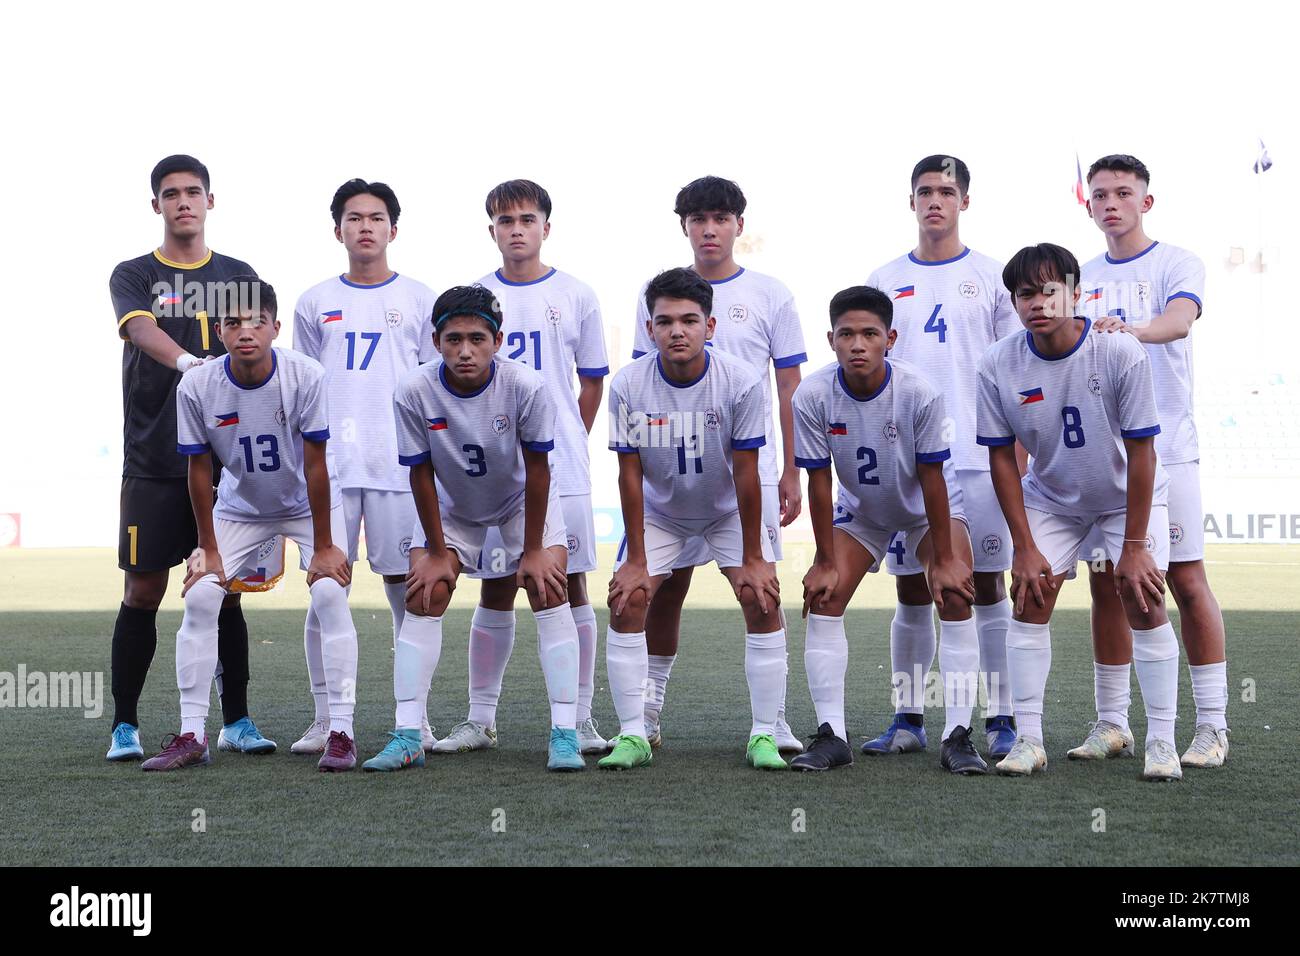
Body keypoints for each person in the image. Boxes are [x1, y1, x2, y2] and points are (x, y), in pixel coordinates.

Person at [976, 243, 1182, 781]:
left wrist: (1135, 548)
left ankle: (1161, 738)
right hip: (1053, 498)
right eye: (1026, 293)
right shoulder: (998, 362)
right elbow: (1001, 458)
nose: (1038, 302)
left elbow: (1142, 449)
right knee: (1030, 596)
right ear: (1014, 301)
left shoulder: (1117, 351)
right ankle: (1030, 739)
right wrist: (1022, 546)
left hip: (1124, 498)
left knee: (1142, 597)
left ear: (1075, 292)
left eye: (1050, 290)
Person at [363, 285, 585, 773]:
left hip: (520, 502)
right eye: (454, 338)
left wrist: (532, 550)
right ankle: (407, 734)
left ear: (497, 340)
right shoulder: (414, 389)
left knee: (548, 586)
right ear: (436, 340)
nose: (466, 350)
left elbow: (539, 469)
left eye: (478, 338)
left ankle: (565, 733)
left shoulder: (525, 386)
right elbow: (419, 471)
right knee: (426, 591)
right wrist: (439, 551)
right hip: (453, 505)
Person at [142, 278, 360, 772]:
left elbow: (318, 466)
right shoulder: (197, 384)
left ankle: (342, 731)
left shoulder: (305, 375)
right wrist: (208, 548)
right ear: (219, 331)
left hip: (308, 504)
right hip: (238, 508)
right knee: (200, 595)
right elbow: (198, 470)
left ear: (275, 327)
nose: (246, 331)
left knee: (329, 593)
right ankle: (193, 732)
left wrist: (325, 546)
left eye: (257, 321)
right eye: (234, 323)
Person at [107, 154, 276, 762]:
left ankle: (237, 721)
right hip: (154, 457)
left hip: (227, 462)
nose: (183, 202)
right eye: (172, 194)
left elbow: (259, 351)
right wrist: (188, 365)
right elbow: (137, 329)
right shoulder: (135, 272)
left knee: (223, 589)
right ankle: (124, 725)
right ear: (157, 205)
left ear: (210, 201)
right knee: (144, 588)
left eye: (193, 192)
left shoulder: (237, 273)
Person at [433, 180, 610, 756]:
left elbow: (591, 382)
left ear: (545, 228)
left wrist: (563, 443)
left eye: (527, 219)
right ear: (492, 230)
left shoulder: (577, 294)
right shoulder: (474, 295)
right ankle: (480, 720)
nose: (517, 229)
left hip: (562, 467)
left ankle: (580, 720)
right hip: (490, 472)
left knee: (569, 584)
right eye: (505, 220)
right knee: (495, 585)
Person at [630, 177, 806, 753]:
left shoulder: (770, 293)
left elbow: (787, 386)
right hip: (671, 475)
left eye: (721, 217)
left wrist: (791, 469)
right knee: (665, 592)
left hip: (743, 474)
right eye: (698, 218)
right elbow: (643, 387)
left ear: (738, 225)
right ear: (684, 226)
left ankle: (772, 720)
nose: (710, 228)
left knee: (761, 591)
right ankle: (648, 711)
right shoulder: (654, 296)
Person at [1072, 154, 1229, 769]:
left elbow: (1179, 320)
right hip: (1103, 456)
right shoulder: (1076, 275)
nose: (1111, 203)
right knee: (1107, 585)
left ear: (1146, 201)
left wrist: (1128, 331)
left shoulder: (1175, 262)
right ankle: (1113, 722)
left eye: (1123, 193)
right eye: (1100, 195)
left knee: (1184, 581)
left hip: (1168, 450)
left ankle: (1212, 725)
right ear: (1087, 205)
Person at [864, 155, 1020, 759]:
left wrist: (1019, 459)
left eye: (947, 192)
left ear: (964, 203)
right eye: (926, 191)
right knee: (911, 589)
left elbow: (1014, 368)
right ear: (911, 202)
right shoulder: (883, 277)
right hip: (907, 462)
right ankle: (909, 717)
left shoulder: (992, 276)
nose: (936, 201)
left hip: (979, 458)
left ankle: (1000, 716)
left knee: (985, 585)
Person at [601, 268, 786, 771]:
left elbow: (747, 475)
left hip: (727, 509)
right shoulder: (628, 385)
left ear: (711, 325)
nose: (676, 331)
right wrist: (636, 558)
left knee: (761, 596)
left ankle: (766, 733)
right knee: (628, 598)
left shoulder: (740, 381)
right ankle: (636, 730)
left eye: (688, 320)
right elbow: (629, 474)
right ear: (649, 329)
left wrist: (753, 557)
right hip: (663, 512)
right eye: (665, 322)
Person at [794, 286, 982, 773]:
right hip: (862, 512)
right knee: (825, 595)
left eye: (870, 334)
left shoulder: (918, 391)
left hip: (924, 508)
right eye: (847, 334)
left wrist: (943, 557)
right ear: (830, 340)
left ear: (890, 338)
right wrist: (822, 559)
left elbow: (933, 478)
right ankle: (832, 734)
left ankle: (957, 734)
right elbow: (817, 482)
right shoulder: (812, 395)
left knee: (957, 593)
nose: (858, 344)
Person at [291, 178, 438, 754]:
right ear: (338, 231)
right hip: (330, 468)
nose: (366, 226)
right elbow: (301, 388)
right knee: (325, 592)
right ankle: (326, 719)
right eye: (354, 218)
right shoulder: (313, 301)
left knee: (410, 595)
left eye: (377, 217)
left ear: (393, 230)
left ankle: (415, 719)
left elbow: (435, 389)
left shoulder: (421, 299)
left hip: (397, 468)